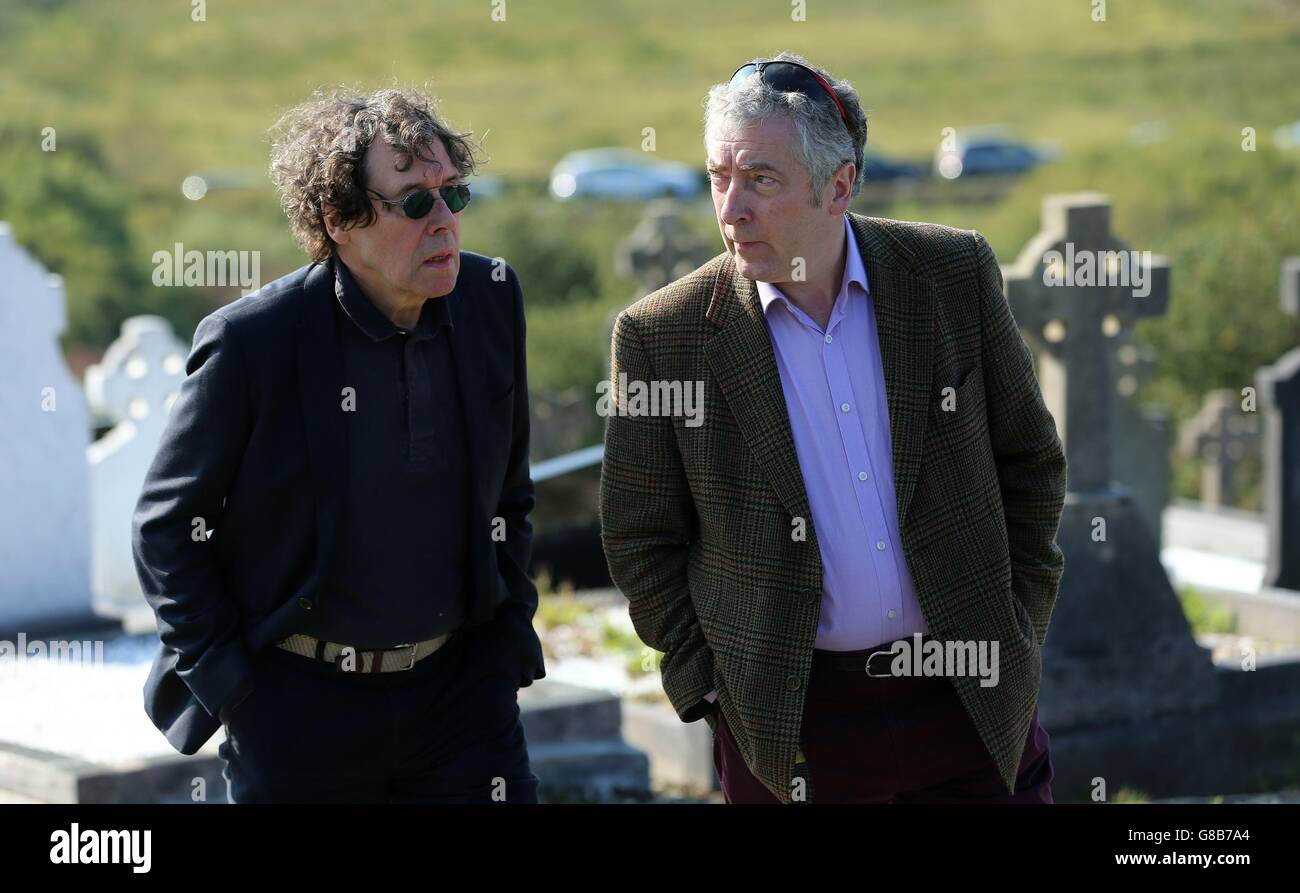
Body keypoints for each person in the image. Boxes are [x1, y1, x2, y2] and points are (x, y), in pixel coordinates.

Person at [599, 53, 1067, 803]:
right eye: (718, 177)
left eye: (761, 179)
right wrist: (715, 693)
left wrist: (1018, 625)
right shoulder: (663, 337)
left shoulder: (950, 274)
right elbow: (639, 539)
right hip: (791, 729)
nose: (731, 209)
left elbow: (1030, 461)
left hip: (971, 702)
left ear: (838, 185)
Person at [133, 87, 544, 803]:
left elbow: (511, 490)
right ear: (339, 220)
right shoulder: (253, 343)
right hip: (298, 712)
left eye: (454, 194)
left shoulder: (490, 297)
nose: (444, 222)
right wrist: (237, 692)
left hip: (463, 702)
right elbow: (167, 529)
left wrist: (504, 640)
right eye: (415, 203)